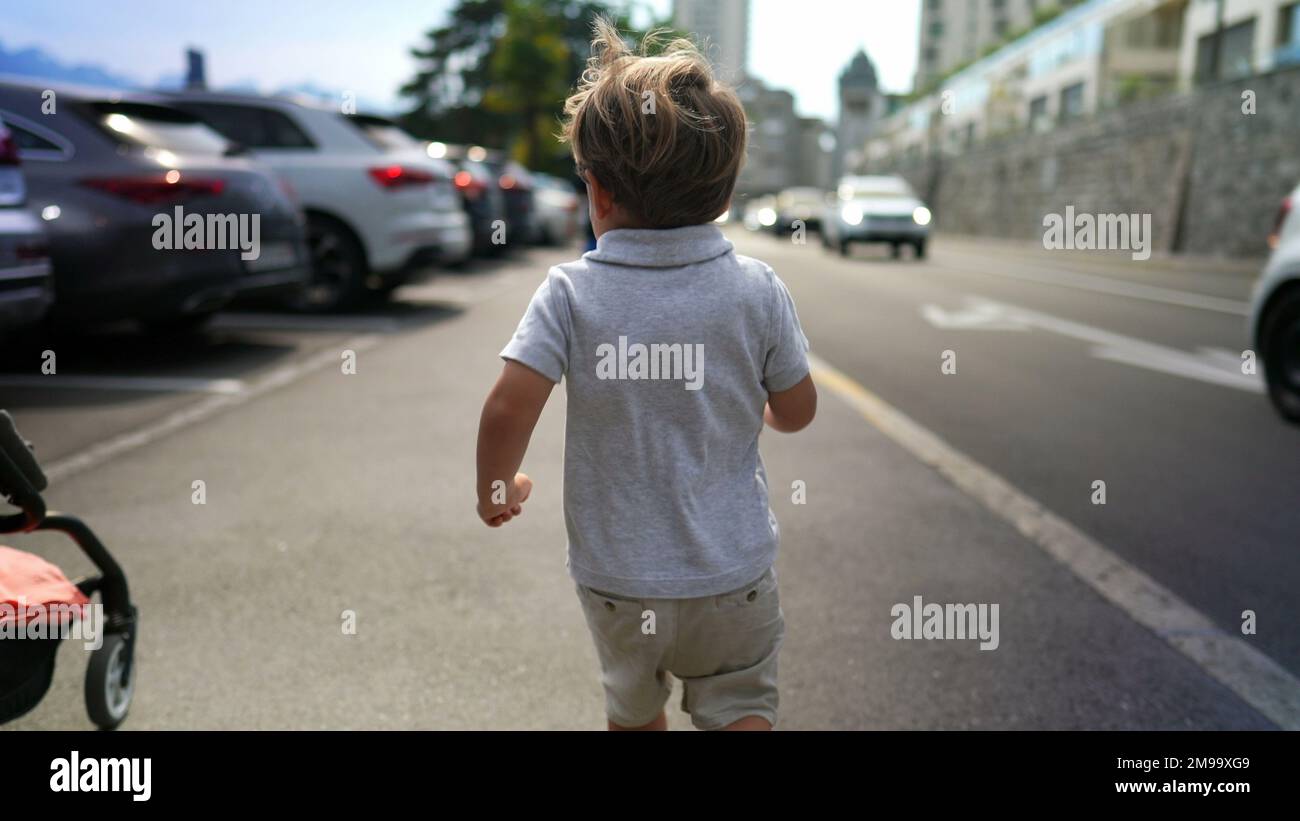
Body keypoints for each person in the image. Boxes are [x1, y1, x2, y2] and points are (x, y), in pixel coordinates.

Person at [474, 18, 816, 731]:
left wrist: (499, 486)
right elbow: (798, 406)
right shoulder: (756, 288)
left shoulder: (569, 292)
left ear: (597, 196)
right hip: (734, 573)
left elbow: (509, 406)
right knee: (740, 698)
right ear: (722, 195)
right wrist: (771, 412)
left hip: (619, 581)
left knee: (632, 709)